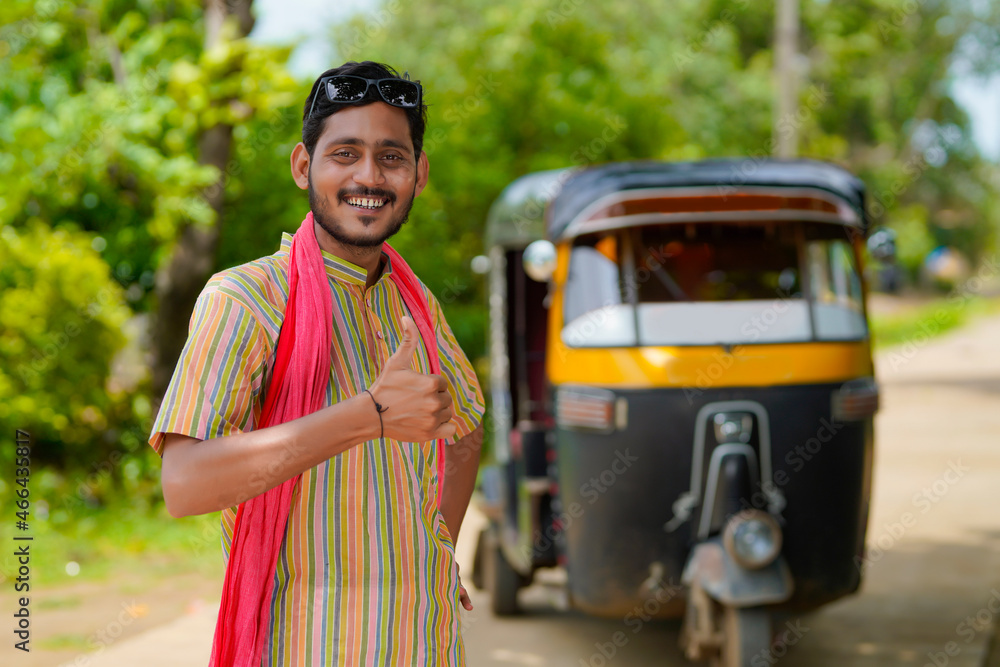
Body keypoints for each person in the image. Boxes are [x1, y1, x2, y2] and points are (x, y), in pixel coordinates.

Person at [148, 61, 486, 666]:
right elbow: (185, 483)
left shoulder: (415, 303)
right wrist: (368, 416)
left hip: (426, 644)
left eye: (392, 157)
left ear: (419, 174)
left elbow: (465, 429)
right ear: (305, 166)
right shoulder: (247, 300)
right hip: (307, 646)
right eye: (345, 153)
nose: (368, 175)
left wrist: (442, 548)